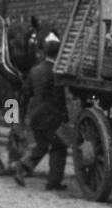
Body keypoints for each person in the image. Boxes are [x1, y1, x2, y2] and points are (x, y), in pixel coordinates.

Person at [12, 33, 69, 190]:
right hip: (52, 117)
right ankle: (54, 181)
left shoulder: (35, 70)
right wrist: (65, 115)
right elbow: (59, 98)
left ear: (45, 53)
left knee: (42, 146)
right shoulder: (57, 72)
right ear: (58, 54)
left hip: (36, 116)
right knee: (59, 146)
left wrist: (20, 117)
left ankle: (21, 167)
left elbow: (26, 93)